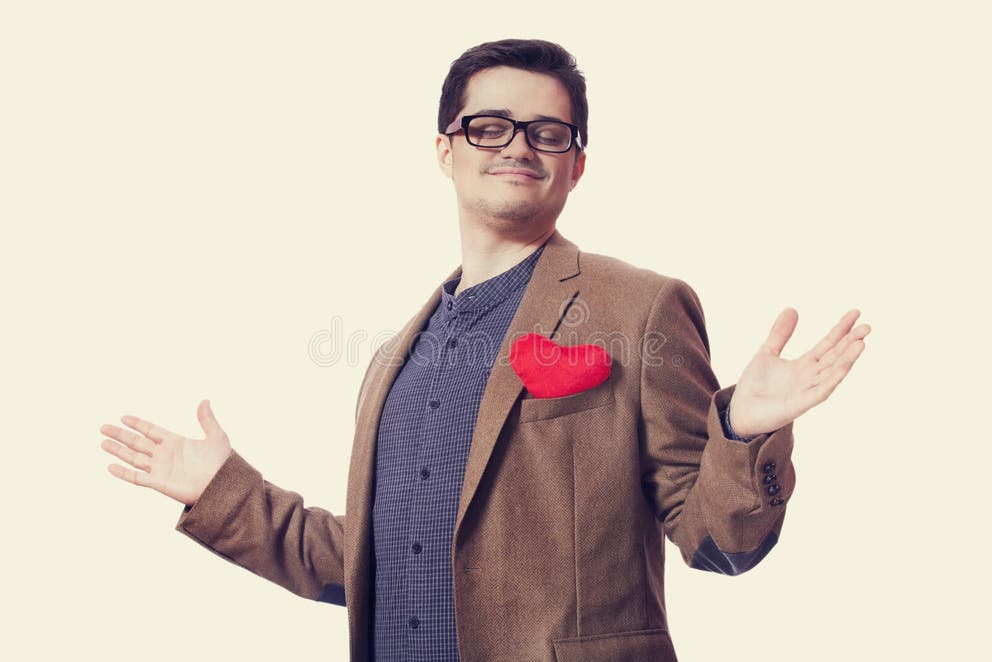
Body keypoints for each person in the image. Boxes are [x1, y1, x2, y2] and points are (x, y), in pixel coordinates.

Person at [99, 39, 870, 661]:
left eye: (549, 133)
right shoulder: (390, 360)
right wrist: (223, 492)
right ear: (445, 150)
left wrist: (743, 431)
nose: (520, 147)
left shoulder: (639, 308)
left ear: (578, 163)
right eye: (490, 126)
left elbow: (716, 541)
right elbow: (373, 564)